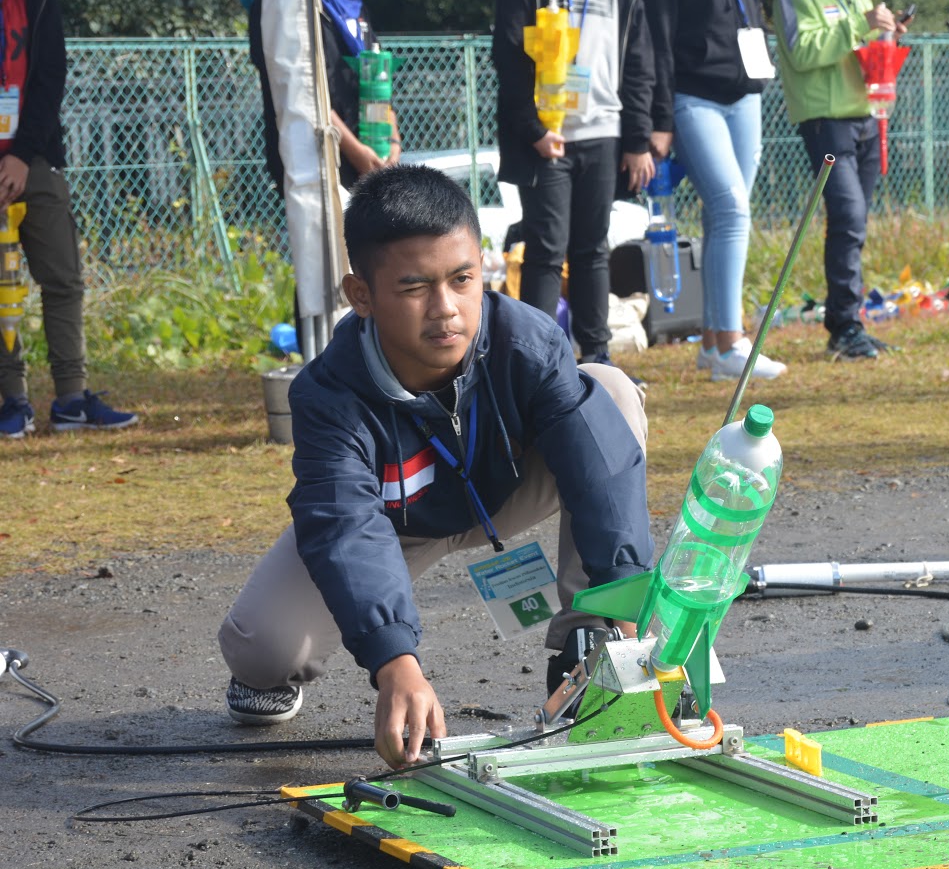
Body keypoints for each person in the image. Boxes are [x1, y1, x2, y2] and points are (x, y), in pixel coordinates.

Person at [217, 165, 653, 769]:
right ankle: (269, 666)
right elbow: (345, 527)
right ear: (361, 295)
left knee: (608, 391)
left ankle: (590, 640)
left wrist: (624, 608)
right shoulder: (328, 394)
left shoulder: (527, 341)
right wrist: (395, 662)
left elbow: (599, 474)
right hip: (395, 527)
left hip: (505, 493)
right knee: (261, 649)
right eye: (415, 287)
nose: (446, 309)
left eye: (462, 279)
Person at [493, 0, 655, 372]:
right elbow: (509, 58)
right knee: (545, 246)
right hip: (547, 134)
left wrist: (638, 139)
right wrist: (534, 129)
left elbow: (640, 64)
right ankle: (536, 357)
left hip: (603, 130)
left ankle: (598, 353)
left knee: (592, 248)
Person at [637, 0, 784, 383]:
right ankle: (730, 343)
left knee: (733, 218)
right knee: (730, 207)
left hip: (745, 96)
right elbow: (656, 37)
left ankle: (717, 344)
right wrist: (660, 115)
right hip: (693, 98)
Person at [0, 0, 136, 438]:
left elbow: (49, 79)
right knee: (2, 286)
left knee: (63, 280)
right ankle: (11, 399)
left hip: (35, 159)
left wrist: (19, 156)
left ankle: (72, 399)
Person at [773, 0, 908, 362]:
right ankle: (844, 325)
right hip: (825, 119)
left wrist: (889, 35)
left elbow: (863, 47)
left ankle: (850, 324)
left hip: (865, 116)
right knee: (847, 217)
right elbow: (802, 51)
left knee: (855, 222)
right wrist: (860, 24)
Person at [246, 0, 398, 195]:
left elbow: (376, 76)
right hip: (315, 161)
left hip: (370, 159)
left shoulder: (351, 2)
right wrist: (355, 152)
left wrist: (391, 142)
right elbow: (301, 90)